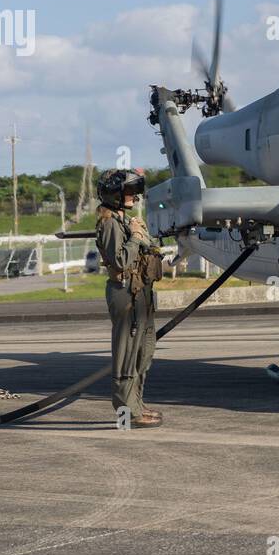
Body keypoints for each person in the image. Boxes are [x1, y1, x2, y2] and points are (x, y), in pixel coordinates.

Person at [95, 169, 164, 429]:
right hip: (125, 293)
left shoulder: (125, 220)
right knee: (126, 355)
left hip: (140, 293)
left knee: (142, 353)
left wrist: (144, 236)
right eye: (129, 191)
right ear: (114, 193)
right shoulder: (110, 222)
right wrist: (135, 237)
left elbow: (147, 253)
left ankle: (137, 405)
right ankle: (126, 414)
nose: (134, 196)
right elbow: (121, 260)